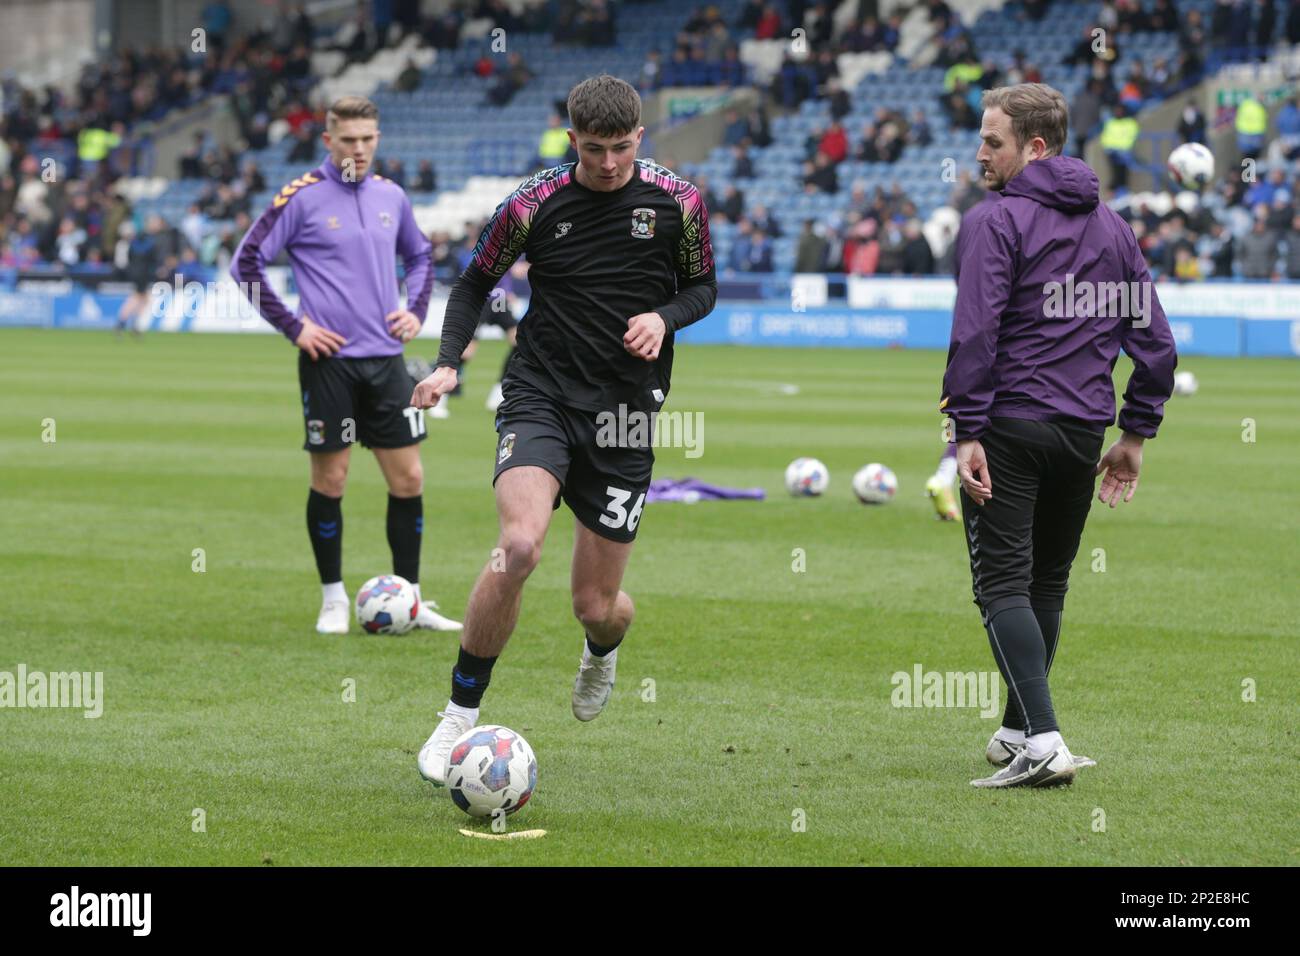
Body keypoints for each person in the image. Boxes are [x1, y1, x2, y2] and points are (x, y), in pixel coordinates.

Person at [408, 74, 717, 785]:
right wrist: (449, 363)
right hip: (540, 393)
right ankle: (458, 715)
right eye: (594, 148)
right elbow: (475, 282)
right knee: (518, 546)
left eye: (620, 148)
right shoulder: (531, 203)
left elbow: (704, 288)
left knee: (597, 606)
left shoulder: (679, 203)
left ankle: (602, 649)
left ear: (640, 136)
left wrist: (662, 319)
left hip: (624, 414)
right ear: (570, 138)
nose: (608, 163)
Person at [941, 83, 1177, 788]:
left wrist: (965, 433)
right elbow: (1157, 343)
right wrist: (1134, 434)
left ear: (1034, 147)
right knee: (1046, 581)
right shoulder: (1112, 226)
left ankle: (1044, 741)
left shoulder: (997, 219)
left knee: (1002, 585)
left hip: (1009, 425)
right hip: (1081, 431)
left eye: (993, 141)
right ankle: (1018, 729)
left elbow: (975, 333)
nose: (980, 152)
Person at [230, 96, 462, 636]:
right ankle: (333, 597)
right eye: (348, 139)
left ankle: (411, 596)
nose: (358, 148)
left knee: (409, 480)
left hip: (387, 363)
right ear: (328, 140)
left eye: (367, 138)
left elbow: (422, 256)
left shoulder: (392, 196)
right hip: (328, 362)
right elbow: (248, 261)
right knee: (331, 480)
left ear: (377, 139)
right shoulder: (302, 197)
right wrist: (295, 326)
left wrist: (416, 310)